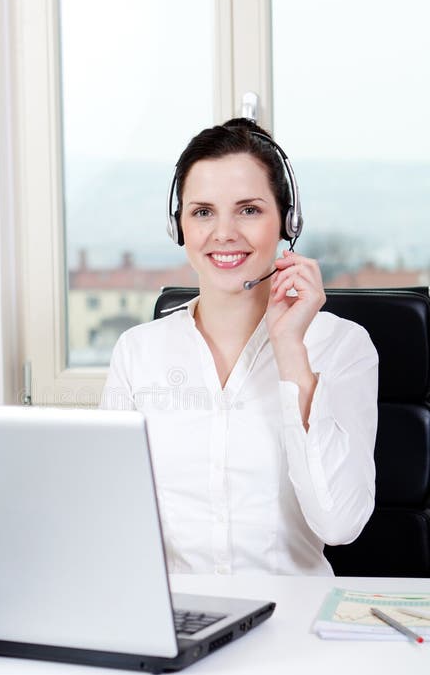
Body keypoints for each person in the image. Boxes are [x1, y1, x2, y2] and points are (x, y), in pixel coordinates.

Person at [101, 118, 378, 575]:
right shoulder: (138, 353)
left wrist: (291, 351)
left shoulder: (341, 346)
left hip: (293, 618)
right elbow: (109, 518)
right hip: (178, 621)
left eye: (248, 209)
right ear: (179, 226)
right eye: (203, 211)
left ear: (287, 221)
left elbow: (339, 524)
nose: (224, 232)